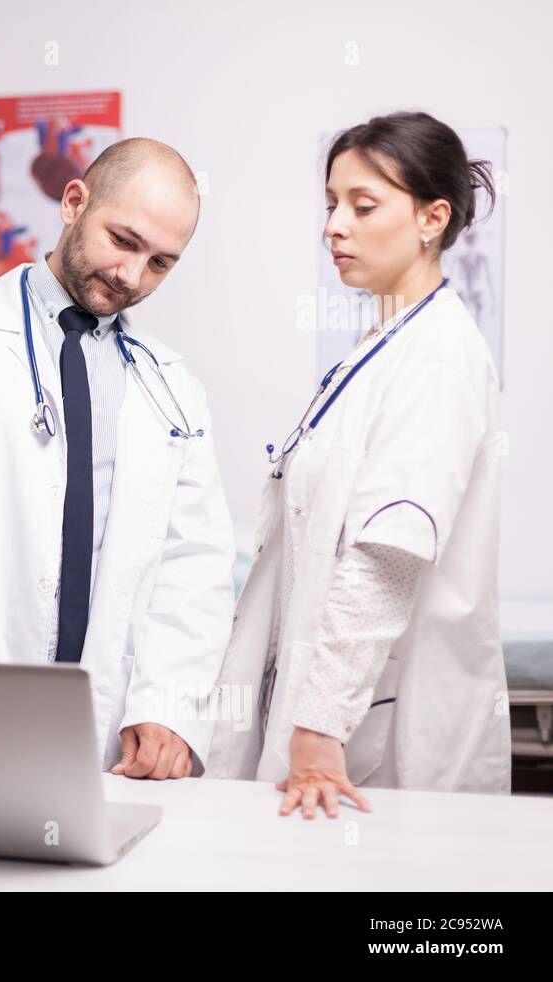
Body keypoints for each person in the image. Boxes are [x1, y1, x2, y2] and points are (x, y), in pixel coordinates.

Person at [0, 138, 236, 779]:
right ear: (74, 201)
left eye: (161, 264)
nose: (131, 276)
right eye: (123, 240)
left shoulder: (173, 387)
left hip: (102, 728)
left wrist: (167, 704)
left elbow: (194, 559)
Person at [206, 112, 507, 815]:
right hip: (332, 711)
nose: (334, 225)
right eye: (331, 204)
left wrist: (320, 724)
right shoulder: (380, 345)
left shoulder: (439, 356)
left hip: (367, 730)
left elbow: (388, 555)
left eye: (362, 206)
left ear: (433, 218)